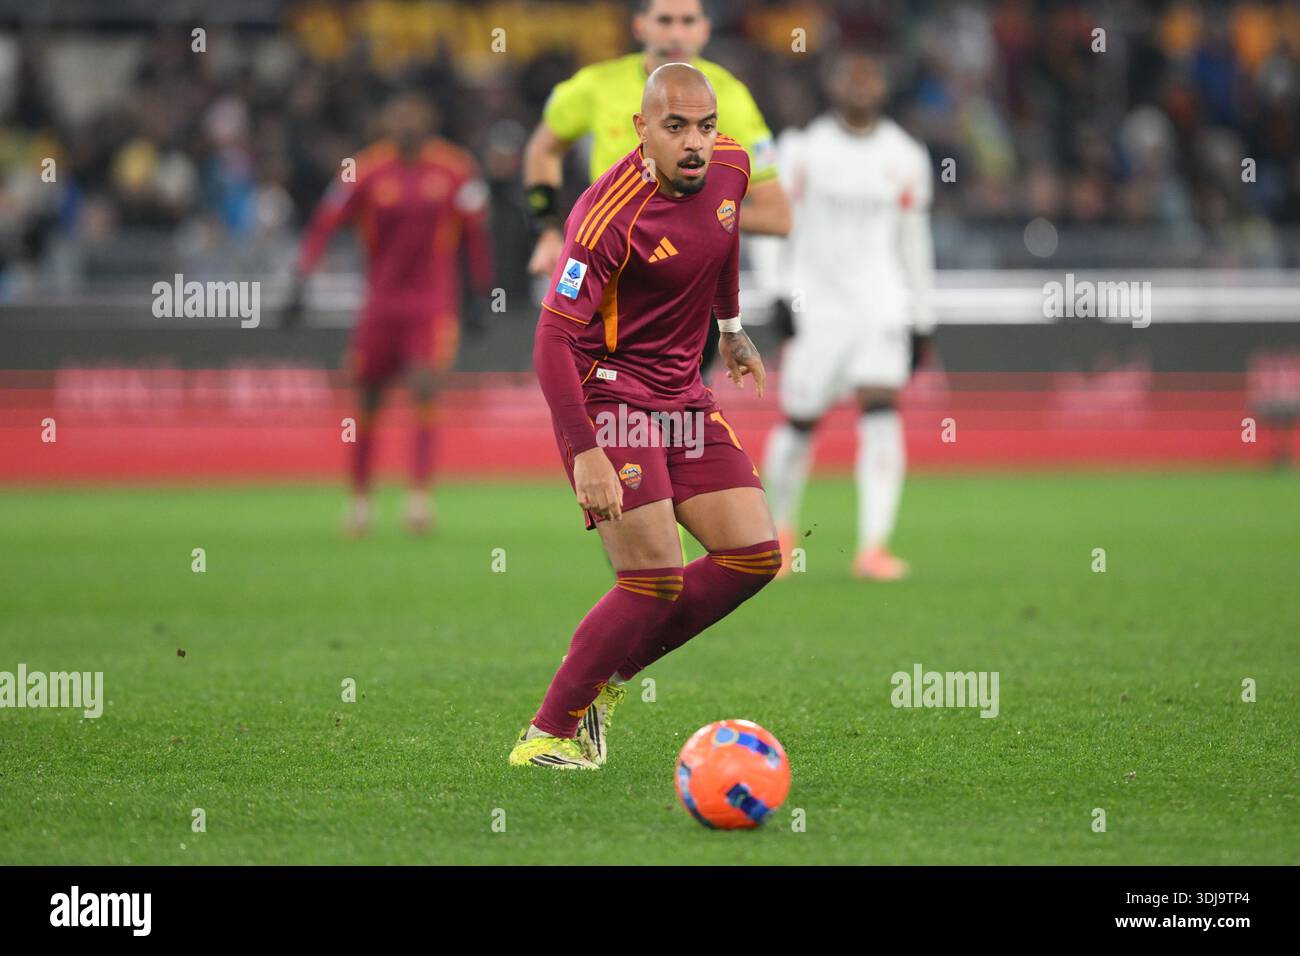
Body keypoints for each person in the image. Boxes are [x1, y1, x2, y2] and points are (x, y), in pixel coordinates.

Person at [510, 63, 780, 770]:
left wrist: (730, 325)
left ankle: (610, 682)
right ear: (641, 130)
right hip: (612, 399)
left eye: (705, 126)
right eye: (676, 127)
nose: (695, 143)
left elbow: (722, 242)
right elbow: (550, 340)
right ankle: (548, 734)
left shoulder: (731, 168)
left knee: (755, 555)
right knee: (654, 578)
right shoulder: (607, 215)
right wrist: (585, 453)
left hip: (684, 395)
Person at [522, 0, 791, 375]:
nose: (676, 33)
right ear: (640, 27)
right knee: (601, 404)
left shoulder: (729, 97)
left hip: (683, 292)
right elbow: (543, 149)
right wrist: (547, 229)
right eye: (665, 21)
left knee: (673, 416)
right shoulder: (597, 85)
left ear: (705, 30)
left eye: (687, 21)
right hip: (607, 271)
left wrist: (697, 218)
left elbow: (778, 216)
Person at [760, 48, 936, 580]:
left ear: (883, 87)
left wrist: (921, 314)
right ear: (832, 86)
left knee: (882, 414)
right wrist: (777, 291)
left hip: (880, 306)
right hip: (818, 306)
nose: (861, 85)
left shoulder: (906, 155)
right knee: (800, 421)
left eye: (870, 75)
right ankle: (779, 535)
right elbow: (773, 220)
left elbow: (914, 240)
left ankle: (874, 547)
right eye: (850, 75)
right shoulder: (803, 150)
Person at [287, 92, 493, 535]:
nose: (406, 126)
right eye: (398, 118)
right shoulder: (364, 169)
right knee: (368, 398)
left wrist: (482, 291)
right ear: (386, 123)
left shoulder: (454, 168)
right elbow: (326, 221)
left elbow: (476, 233)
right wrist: (301, 278)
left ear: (428, 122)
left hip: (432, 304)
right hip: (380, 303)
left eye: (414, 118)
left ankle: (419, 498)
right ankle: (360, 499)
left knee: (424, 387)